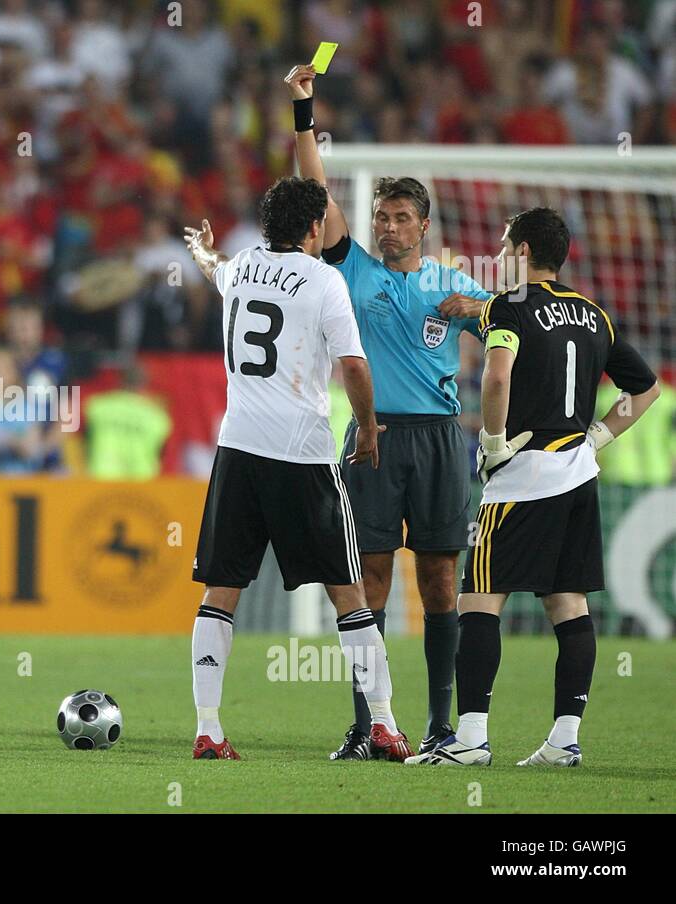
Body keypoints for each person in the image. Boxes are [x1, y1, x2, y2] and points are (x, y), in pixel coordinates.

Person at [287, 63, 494, 759]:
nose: (389, 225)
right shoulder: (353, 268)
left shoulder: (451, 284)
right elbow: (316, 188)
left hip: (439, 441)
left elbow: (513, 325)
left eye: (402, 217)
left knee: (439, 583)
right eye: (382, 215)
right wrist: (304, 110)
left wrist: (482, 309)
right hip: (371, 438)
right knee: (367, 581)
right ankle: (367, 727)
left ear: (424, 226)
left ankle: (440, 727)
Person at [406, 208, 661, 767]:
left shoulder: (509, 306)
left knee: (479, 598)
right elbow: (645, 390)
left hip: (522, 474)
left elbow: (497, 375)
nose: (498, 256)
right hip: (578, 474)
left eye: (503, 247)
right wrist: (598, 436)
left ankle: (470, 739)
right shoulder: (594, 314)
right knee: (568, 603)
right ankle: (564, 740)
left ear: (522, 251)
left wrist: (492, 443)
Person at [183, 176, 413, 762]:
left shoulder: (240, 268)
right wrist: (367, 427)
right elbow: (354, 366)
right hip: (302, 455)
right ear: (315, 228)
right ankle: (383, 724)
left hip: (238, 451)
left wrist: (201, 250)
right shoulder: (323, 280)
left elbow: (215, 269)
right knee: (349, 592)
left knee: (220, 591)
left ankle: (209, 729)